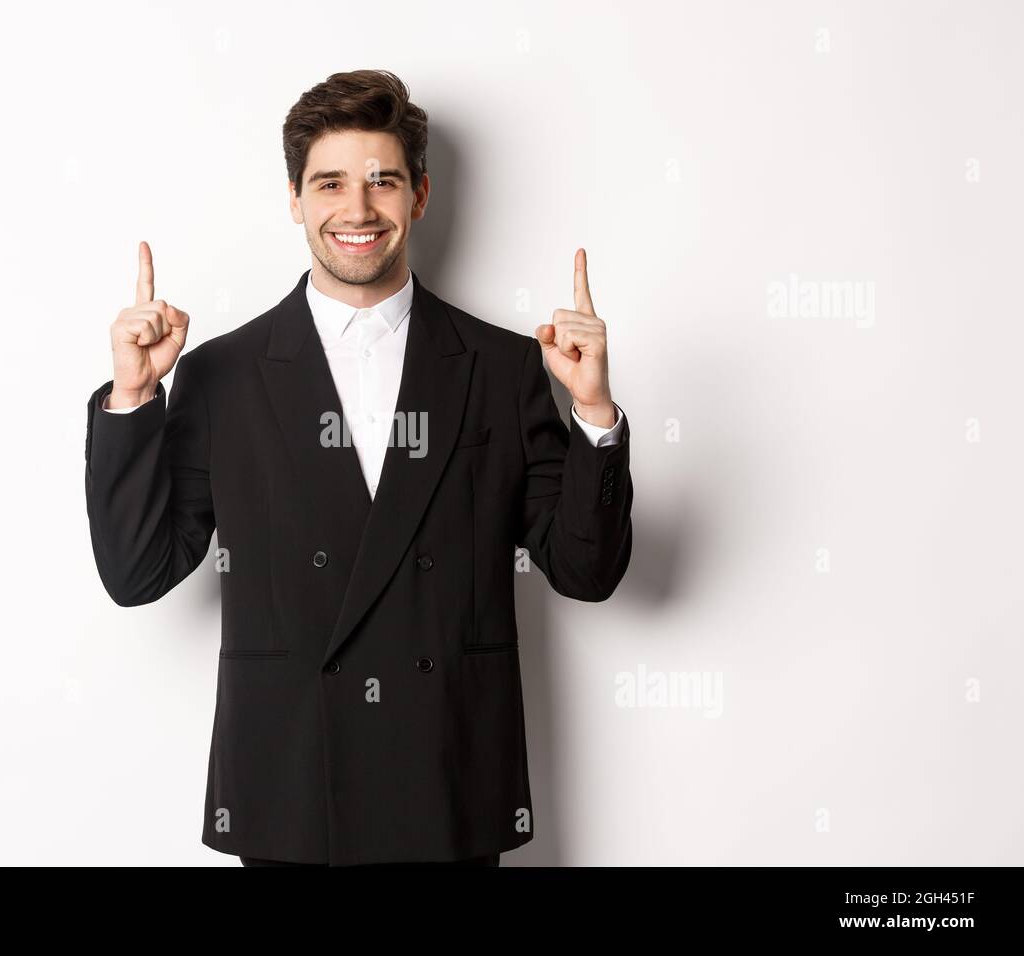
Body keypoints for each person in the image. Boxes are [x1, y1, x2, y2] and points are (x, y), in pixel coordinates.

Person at [84, 69, 632, 866]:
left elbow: (585, 571)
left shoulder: (504, 366)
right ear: (296, 199)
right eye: (330, 182)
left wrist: (593, 414)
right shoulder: (221, 375)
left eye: (383, 180)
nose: (358, 209)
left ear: (420, 195)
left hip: (450, 788)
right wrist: (135, 396)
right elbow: (137, 573)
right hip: (291, 796)